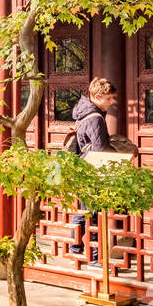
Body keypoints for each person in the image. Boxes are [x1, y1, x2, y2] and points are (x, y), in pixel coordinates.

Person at [68, 78, 119, 263]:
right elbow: (100, 150)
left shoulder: (82, 113)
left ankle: (75, 250)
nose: (112, 102)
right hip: (93, 174)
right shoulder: (96, 118)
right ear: (97, 96)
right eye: (109, 98)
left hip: (82, 170)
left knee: (81, 213)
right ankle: (95, 259)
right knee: (93, 216)